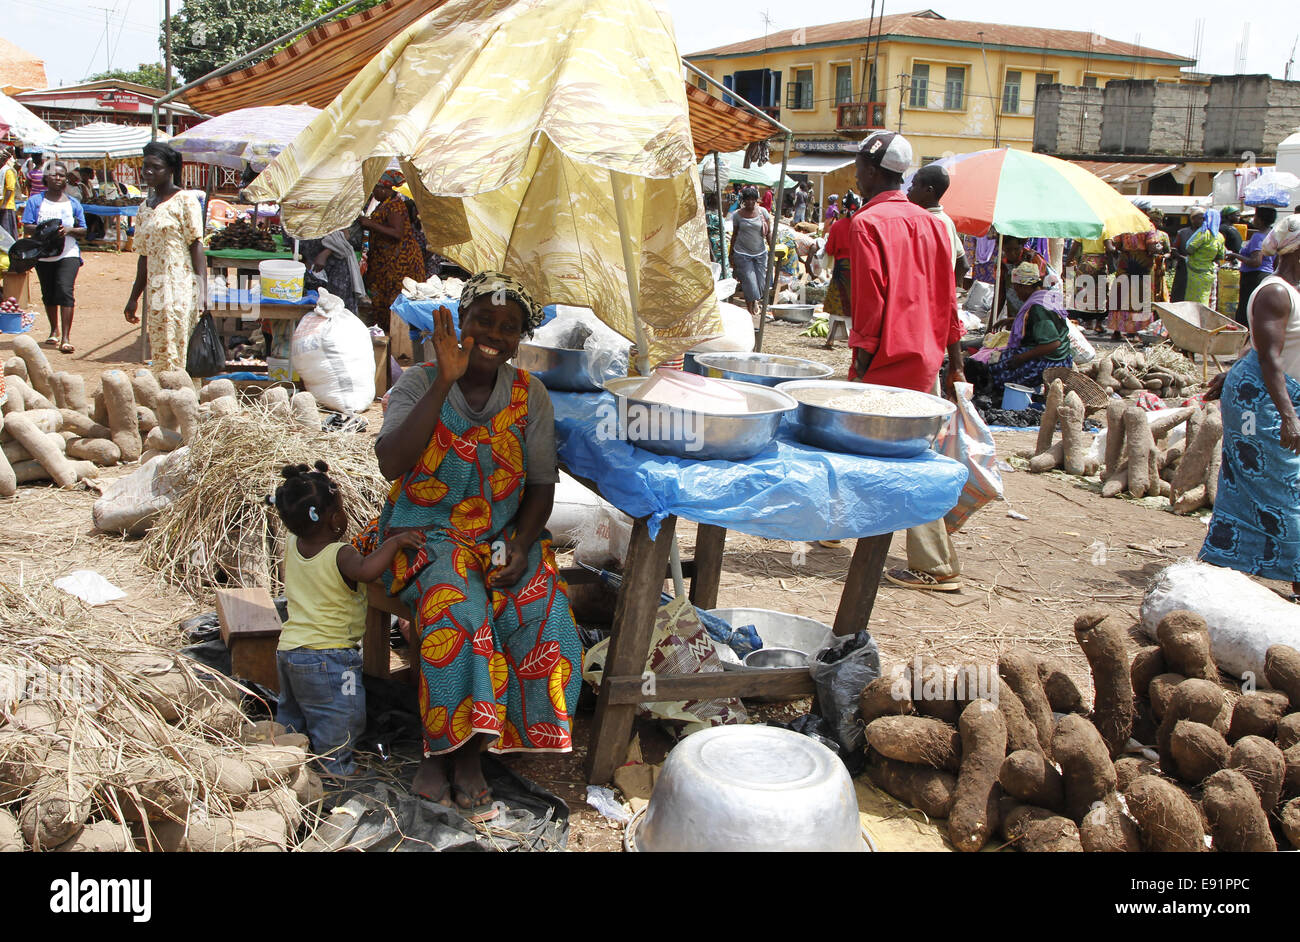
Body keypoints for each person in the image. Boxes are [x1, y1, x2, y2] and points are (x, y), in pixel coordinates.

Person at [365, 273, 580, 820]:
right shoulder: (419, 381)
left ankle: (480, 747)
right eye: (484, 320)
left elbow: (540, 485)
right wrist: (445, 383)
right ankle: (450, 754)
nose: (494, 334)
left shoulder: (530, 396)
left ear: (519, 338)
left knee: (544, 608)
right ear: (462, 322)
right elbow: (391, 461)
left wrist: (520, 546)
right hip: (424, 535)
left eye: (509, 327)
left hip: (501, 539)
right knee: (458, 607)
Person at [845, 131, 964, 592]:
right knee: (906, 452)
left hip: (886, 361)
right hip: (926, 359)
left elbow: (870, 304)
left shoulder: (867, 224)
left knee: (898, 458)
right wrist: (955, 363)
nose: (856, 175)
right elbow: (948, 300)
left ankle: (934, 564)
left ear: (874, 171)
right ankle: (839, 529)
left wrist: (862, 361)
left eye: (859, 167)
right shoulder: (934, 224)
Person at [269, 461, 424, 778]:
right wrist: (394, 543)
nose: (345, 516)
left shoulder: (292, 545)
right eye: (340, 510)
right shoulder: (341, 554)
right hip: (331, 660)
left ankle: (283, 763)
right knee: (342, 713)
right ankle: (335, 771)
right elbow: (367, 571)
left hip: (289, 652)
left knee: (292, 713)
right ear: (331, 518)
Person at [1199, 215, 1300, 599]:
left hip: (1277, 393)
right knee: (1283, 487)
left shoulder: (1294, 291)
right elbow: (1270, 358)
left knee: (1261, 485)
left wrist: (1236, 368)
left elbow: (1254, 345)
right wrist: (1289, 416)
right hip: (1264, 402)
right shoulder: (1275, 292)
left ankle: (1223, 563)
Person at [124, 143, 205, 373]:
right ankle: (165, 399)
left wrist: (203, 291)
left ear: (170, 170)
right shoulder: (143, 208)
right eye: (145, 167)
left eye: (155, 167)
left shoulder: (184, 200)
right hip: (157, 290)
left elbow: (196, 245)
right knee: (161, 347)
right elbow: (143, 256)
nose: (148, 172)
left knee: (181, 346)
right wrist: (134, 297)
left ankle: (186, 398)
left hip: (181, 286)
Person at [20, 161, 87, 354]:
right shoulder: (35, 201)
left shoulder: (73, 203)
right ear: (45, 179)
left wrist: (69, 230)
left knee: (65, 290)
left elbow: (83, 229)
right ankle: (53, 330)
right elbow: (27, 226)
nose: (58, 178)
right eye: (54, 175)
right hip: (43, 254)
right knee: (48, 293)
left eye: (61, 175)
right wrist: (47, 229)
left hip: (68, 253)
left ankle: (66, 338)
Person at [988, 262, 1073, 395]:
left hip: (1051, 362)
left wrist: (1021, 358)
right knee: (999, 358)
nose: (1017, 294)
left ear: (1024, 287)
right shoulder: (1046, 295)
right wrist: (1015, 321)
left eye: (1017, 289)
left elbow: (1053, 343)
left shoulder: (1038, 309)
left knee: (996, 368)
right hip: (1062, 357)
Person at [359, 169, 426, 335]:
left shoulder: (395, 205)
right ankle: (387, 333)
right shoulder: (387, 203)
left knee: (394, 299)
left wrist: (369, 224)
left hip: (398, 264)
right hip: (387, 262)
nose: (373, 193)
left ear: (383, 188)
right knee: (383, 298)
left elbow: (397, 233)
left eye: (375, 189)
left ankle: (395, 337)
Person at [1108, 206, 1168, 339]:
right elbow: (1152, 247)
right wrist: (1158, 249)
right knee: (1140, 298)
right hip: (1142, 265)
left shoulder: (1124, 224)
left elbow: (1115, 245)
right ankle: (1135, 332)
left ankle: (1117, 331)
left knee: (1121, 296)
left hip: (1125, 264)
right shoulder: (1148, 225)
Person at [906, 163, 969, 286]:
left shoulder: (921, 222)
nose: (908, 189)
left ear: (928, 191)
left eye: (913, 185)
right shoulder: (946, 221)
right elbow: (963, 264)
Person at [728, 185, 772, 322]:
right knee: (749, 282)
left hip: (760, 253)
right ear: (743, 200)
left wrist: (773, 248)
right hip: (742, 253)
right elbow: (735, 235)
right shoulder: (737, 216)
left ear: (756, 200)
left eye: (753, 200)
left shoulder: (763, 212)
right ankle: (750, 310)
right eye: (747, 200)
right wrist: (731, 254)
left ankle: (754, 301)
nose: (750, 203)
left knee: (760, 284)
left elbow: (769, 231)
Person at [820, 192, 859, 347]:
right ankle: (853, 340)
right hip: (858, 269)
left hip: (841, 269)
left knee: (837, 303)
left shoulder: (837, 226)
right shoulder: (863, 225)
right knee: (855, 303)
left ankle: (830, 337)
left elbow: (829, 249)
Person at [302, 222, 366, 315]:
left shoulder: (329, 209)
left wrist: (325, 253)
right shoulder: (289, 217)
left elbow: (345, 234)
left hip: (336, 267)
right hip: (312, 269)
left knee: (337, 308)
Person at [1230, 207, 1277, 325]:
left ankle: (1244, 340)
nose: (1253, 219)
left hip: (1253, 277)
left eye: (1255, 216)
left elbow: (1256, 262)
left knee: (1246, 311)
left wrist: (1235, 255)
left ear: (1260, 220)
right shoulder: (1273, 235)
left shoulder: (1258, 236)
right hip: (1267, 276)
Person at [1066, 234, 1112, 332]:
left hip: (1085, 263)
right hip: (1099, 263)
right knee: (1100, 294)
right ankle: (1098, 325)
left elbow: (1073, 249)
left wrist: (1066, 265)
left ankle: (1088, 322)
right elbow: (1109, 248)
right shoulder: (1104, 230)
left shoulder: (1084, 229)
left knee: (1084, 294)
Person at [995, 236, 1048, 317]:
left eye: (1016, 249)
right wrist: (991, 325)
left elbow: (1040, 290)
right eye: (1008, 250)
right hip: (1014, 313)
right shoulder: (1001, 263)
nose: (1012, 254)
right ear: (1002, 248)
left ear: (1022, 245)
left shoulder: (1034, 259)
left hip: (1034, 315)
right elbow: (1000, 295)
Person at [1183, 209, 1226, 306]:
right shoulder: (1219, 237)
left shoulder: (1203, 233)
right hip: (1208, 271)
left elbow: (1190, 249)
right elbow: (1221, 255)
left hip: (1194, 270)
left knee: (1193, 297)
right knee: (1204, 296)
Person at [0, 148, 18, 240]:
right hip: (2, 205)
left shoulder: (8, 171)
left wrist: (4, 204)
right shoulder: (1, 170)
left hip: (7, 206)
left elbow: (10, 189)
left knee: (7, 232)